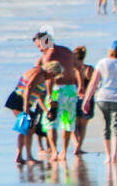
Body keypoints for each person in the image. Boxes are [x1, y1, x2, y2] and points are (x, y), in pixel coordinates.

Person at [28, 30, 84, 163]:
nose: (40, 50)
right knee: (68, 121)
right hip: (70, 90)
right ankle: (64, 150)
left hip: (55, 90)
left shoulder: (48, 56)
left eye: (40, 46)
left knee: (50, 122)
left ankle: (54, 151)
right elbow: (79, 68)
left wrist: (48, 96)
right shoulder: (67, 51)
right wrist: (80, 85)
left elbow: (48, 79)